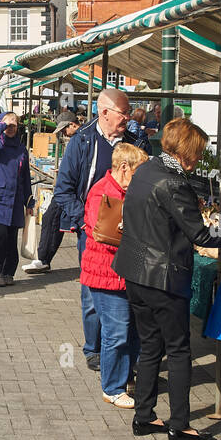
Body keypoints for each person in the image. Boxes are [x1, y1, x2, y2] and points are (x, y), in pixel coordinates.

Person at [113, 116, 221, 440]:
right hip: (163, 276)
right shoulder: (174, 182)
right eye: (199, 152)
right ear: (187, 151)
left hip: (135, 271)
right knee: (177, 350)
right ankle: (180, 425)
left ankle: (144, 416)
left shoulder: (146, 169)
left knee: (149, 346)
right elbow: (201, 233)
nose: (200, 159)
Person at [54, 89, 151, 368]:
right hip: (93, 232)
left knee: (127, 293)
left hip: (130, 233)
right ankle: (94, 349)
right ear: (105, 112)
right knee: (93, 295)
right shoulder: (82, 141)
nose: (127, 118)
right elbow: (64, 190)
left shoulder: (136, 141)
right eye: (124, 113)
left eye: (129, 113)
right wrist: (85, 223)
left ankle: (121, 353)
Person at [80, 144, 149, 407]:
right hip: (106, 274)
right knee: (117, 332)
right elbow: (106, 235)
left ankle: (124, 377)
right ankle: (113, 387)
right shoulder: (103, 193)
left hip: (122, 272)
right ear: (124, 168)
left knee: (130, 331)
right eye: (137, 172)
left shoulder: (121, 191)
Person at [0, 111, 35, 287]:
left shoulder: (20, 149)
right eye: (7, 125)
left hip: (15, 200)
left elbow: (26, 176)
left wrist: (29, 201)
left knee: (11, 238)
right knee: (0, 234)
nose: (11, 128)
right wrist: (3, 125)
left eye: (14, 125)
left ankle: (8, 272)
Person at [24, 110, 80, 274]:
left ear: (72, 124)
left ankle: (43, 259)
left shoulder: (79, 139)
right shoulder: (76, 139)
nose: (63, 133)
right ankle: (44, 258)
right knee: (54, 220)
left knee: (52, 219)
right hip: (66, 188)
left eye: (64, 129)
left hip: (68, 190)